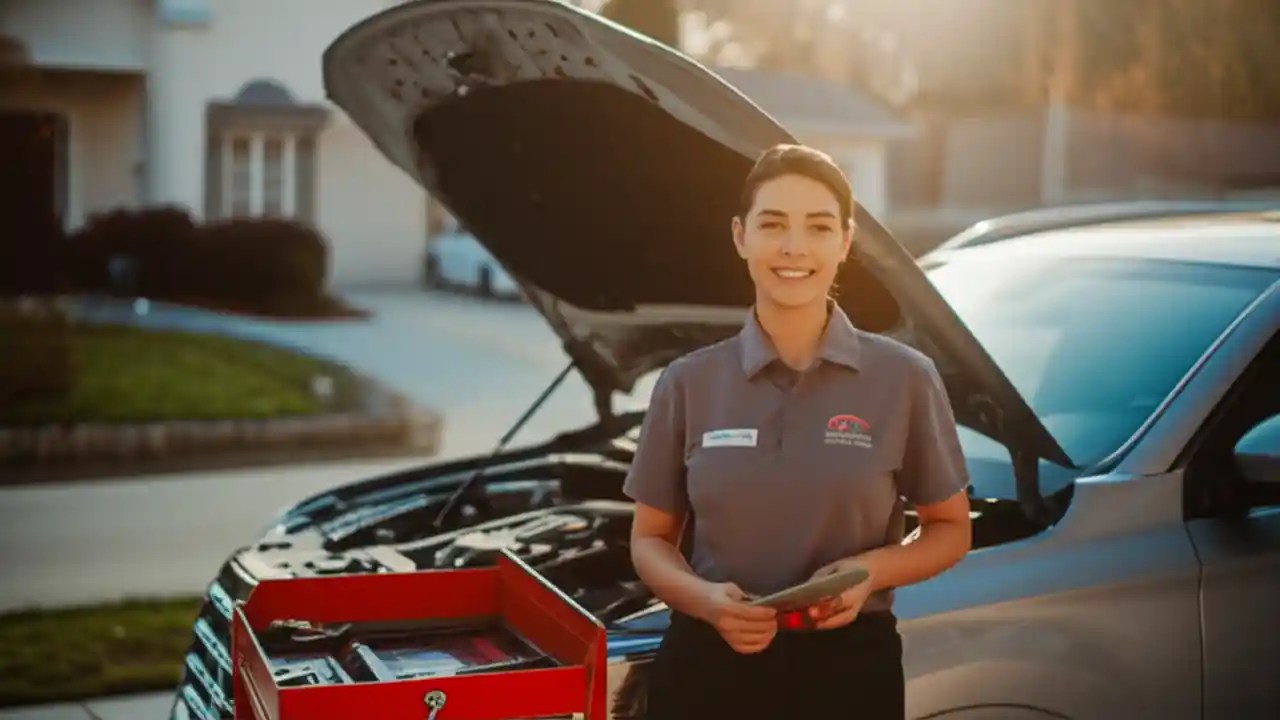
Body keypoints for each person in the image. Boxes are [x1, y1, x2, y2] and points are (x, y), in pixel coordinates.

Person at [624, 144, 973, 719]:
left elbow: (950, 529)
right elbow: (649, 540)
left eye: (818, 227)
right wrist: (708, 603)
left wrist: (872, 574)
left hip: (848, 674)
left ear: (845, 241)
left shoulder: (904, 379)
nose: (794, 247)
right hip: (707, 672)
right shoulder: (688, 382)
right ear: (740, 236)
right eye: (773, 224)